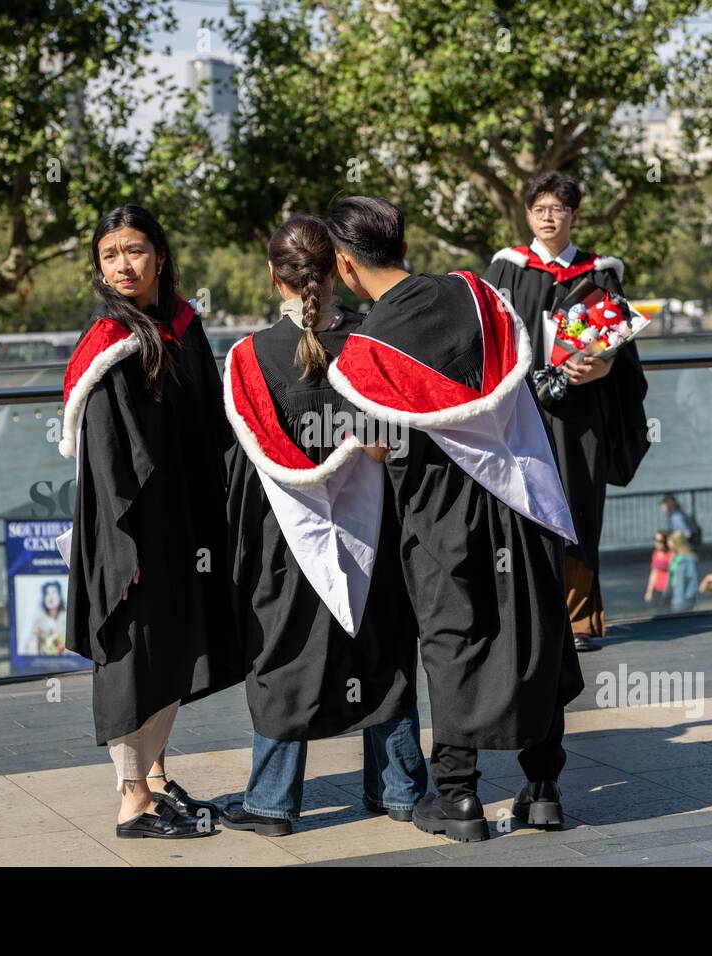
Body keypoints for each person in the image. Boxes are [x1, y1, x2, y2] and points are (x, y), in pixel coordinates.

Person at [325, 196, 583, 843]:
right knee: (535, 626)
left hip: (442, 512)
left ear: (344, 264)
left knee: (454, 640)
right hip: (521, 493)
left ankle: (460, 797)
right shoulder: (475, 291)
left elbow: (379, 447)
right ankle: (544, 786)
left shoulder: (364, 353)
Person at [219, 215, 427, 836]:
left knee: (285, 656)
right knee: (384, 650)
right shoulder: (375, 343)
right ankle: (399, 788)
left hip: (287, 542)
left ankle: (272, 802)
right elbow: (404, 438)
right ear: (340, 267)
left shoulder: (249, 356)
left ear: (273, 275)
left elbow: (239, 464)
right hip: (377, 533)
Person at [59, 205, 243, 839]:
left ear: (159, 255)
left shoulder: (183, 328)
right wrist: (121, 549)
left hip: (182, 522)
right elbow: (108, 463)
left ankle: (157, 778)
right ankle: (131, 799)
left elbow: (213, 424)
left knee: (169, 644)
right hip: (129, 528)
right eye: (109, 256)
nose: (122, 265)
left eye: (133, 250)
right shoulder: (108, 347)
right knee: (133, 648)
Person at [485, 172, 650, 652]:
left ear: (575, 215)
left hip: (582, 413)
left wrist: (604, 368)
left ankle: (578, 620)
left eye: (558, 209)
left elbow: (621, 348)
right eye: (539, 209)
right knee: (527, 504)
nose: (548, 218)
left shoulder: (600, 272)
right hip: (525, 409)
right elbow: (490, 340)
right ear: (527, 215)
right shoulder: (507, 269)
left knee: (579, 506)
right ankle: (531, 615)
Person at [665, 530, 698, 612]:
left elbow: (692, 580)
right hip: (674, 594)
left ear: (677, 542)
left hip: (682, 598)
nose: (668, 543)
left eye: (670, 541)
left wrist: (687, 599)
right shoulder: (674, 556)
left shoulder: (688, 558)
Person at [644, 531, 672, 607]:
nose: (657, 543)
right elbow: (654, 573)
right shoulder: (655, 553)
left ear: (665, 542)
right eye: (655, 540)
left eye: (660, 541)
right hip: (657, 588)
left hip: (668, 588)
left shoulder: (670, 554)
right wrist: (649, 591)